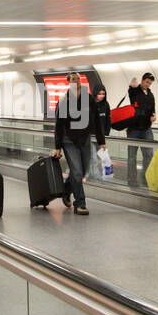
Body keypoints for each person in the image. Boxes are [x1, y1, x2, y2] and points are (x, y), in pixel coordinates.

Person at [52, 76, 105, 215]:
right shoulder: (65, 101)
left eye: (78, 81)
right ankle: (80, 203)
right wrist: (57, 146)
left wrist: (101, 141)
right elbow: (59, 125)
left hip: (85, 140)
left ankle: (66, 190)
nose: (77, 83)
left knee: (83, 171)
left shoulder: (89, 99)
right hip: (68, 141)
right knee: (76, 171)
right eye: (74, 81)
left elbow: (97, 120)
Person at [125, 72, 157, 188]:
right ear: (142, 81)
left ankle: (146, 180)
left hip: (146, 129)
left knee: (148, 155)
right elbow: (131, 89)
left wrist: (153, 116)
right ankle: (132, 181)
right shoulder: (134, 91)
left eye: (150, 83)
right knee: (132, 156)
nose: (148, 85)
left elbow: (153, 110)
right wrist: (132, 85)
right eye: (147, 82)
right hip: (134, 129)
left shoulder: (151, 95)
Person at [90, 86, 112, 178]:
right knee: (93, 158)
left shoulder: (105, 104)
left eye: (103, 94)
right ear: (95, 94)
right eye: (100, 94)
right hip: (90, 136)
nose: (102, 96)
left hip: (101, 137)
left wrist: (106, 134)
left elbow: (108, 120)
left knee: (105, 158)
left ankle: (108, 176)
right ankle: (95, 177)